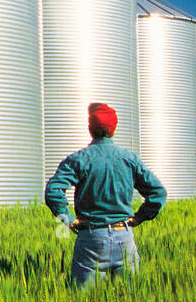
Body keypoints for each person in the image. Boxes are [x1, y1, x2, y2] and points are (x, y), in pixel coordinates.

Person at [45, 102, 166, 289]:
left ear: (90, 129)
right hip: (124, 236)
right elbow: (158, 193)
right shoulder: (129, 159)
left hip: (91, 238)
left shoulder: (79, 159)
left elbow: (53, 191)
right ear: (114, 129)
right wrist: (139, 218)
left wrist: (68, 219)